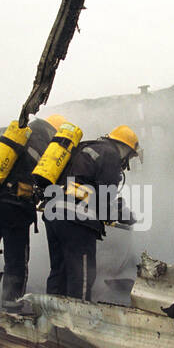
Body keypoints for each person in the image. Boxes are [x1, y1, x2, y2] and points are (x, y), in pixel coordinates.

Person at [0, 115, 62, 311]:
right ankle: (11, 306)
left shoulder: (10, 132)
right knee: (16, 259)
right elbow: (49, 183)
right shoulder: (49, 148)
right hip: (15, 206)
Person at [44, 125, 140, 301]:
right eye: (130, 155)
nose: (127, 161)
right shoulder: (111, 154)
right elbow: (106, 197)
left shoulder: (85, 148)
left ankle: (52, 316)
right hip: (77, 218)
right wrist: (125, 215)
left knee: (60, 270)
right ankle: (75, 321)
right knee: (82, 275)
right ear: (125, 148)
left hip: (53, 213)